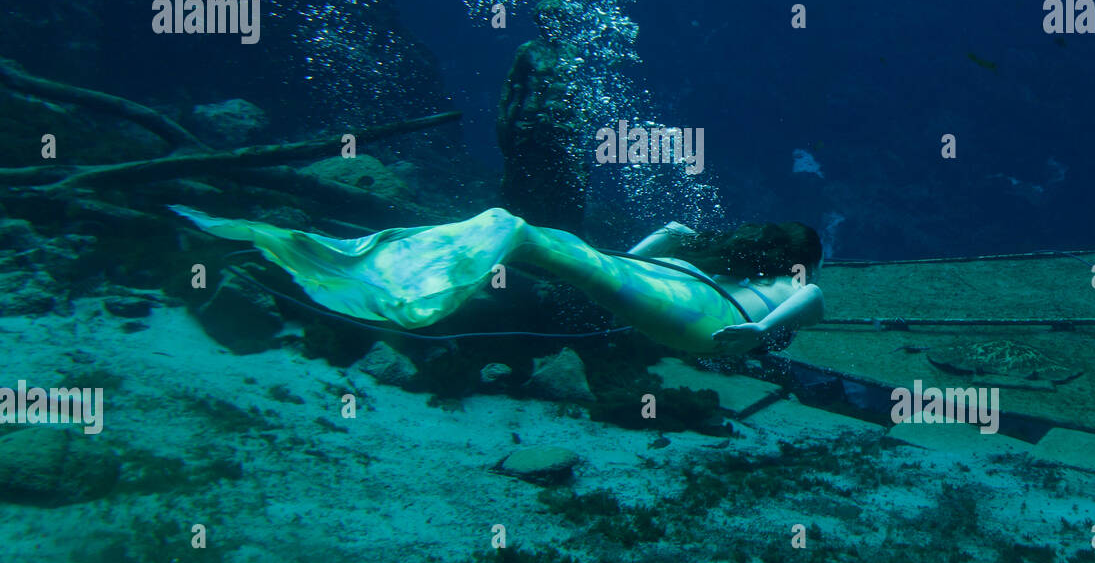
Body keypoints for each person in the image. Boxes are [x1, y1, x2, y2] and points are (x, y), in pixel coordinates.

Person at [171, 206, 824, 356]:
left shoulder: (716, 259)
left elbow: (623, 258)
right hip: (705, 318)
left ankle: (343, 258)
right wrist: (760, 330)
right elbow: (813, 297)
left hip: (676, 295)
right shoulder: (772, 283)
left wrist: (675, 238)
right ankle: (387, 279)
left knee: (524, 233)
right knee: (519, 231)